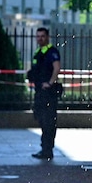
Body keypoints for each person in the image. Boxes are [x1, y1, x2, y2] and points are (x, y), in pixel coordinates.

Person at [26, 27, 62, 160]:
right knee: (40, 119)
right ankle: (44, 148)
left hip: (48, 93)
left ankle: (48, 149)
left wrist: (50, 83)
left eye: (42, 36)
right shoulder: (38, 52)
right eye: (38, 36)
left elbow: (57, 68)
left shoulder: (52, 52)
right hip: (39, 92)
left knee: (48, 121)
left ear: (47, 37)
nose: (40, 38)